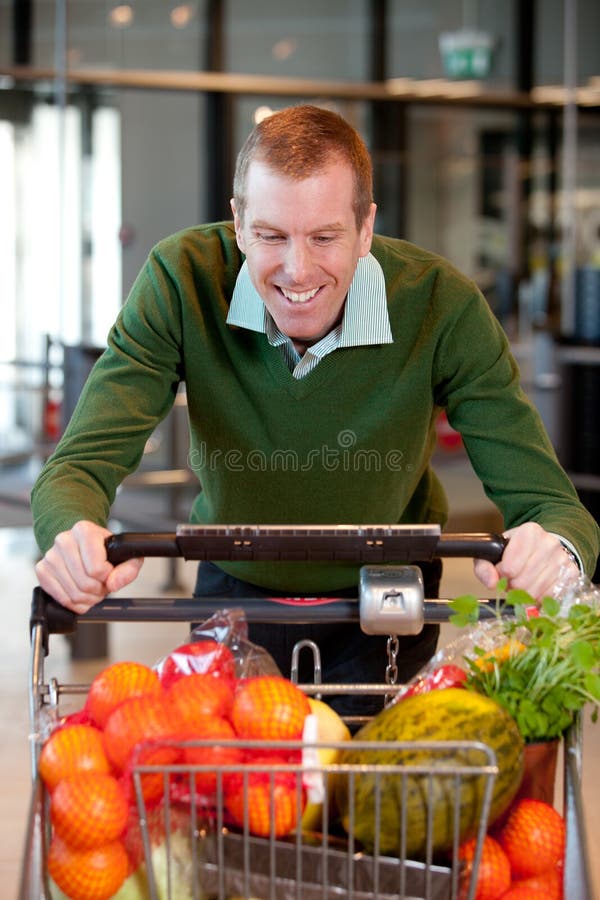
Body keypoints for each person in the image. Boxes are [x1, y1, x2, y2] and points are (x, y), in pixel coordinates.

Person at [32, 104, 600, 714]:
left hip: (389, 600)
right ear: (239, 224)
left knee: (371, 807)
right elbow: (79, 466)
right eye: (271, 235)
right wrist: (72, 536)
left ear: (365, 229)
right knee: (234, 801)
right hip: (231, 591)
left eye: (325, 237)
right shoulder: (181, 279)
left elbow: (554, 507)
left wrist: (555, 550)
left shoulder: (443, 305)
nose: (296, 270)